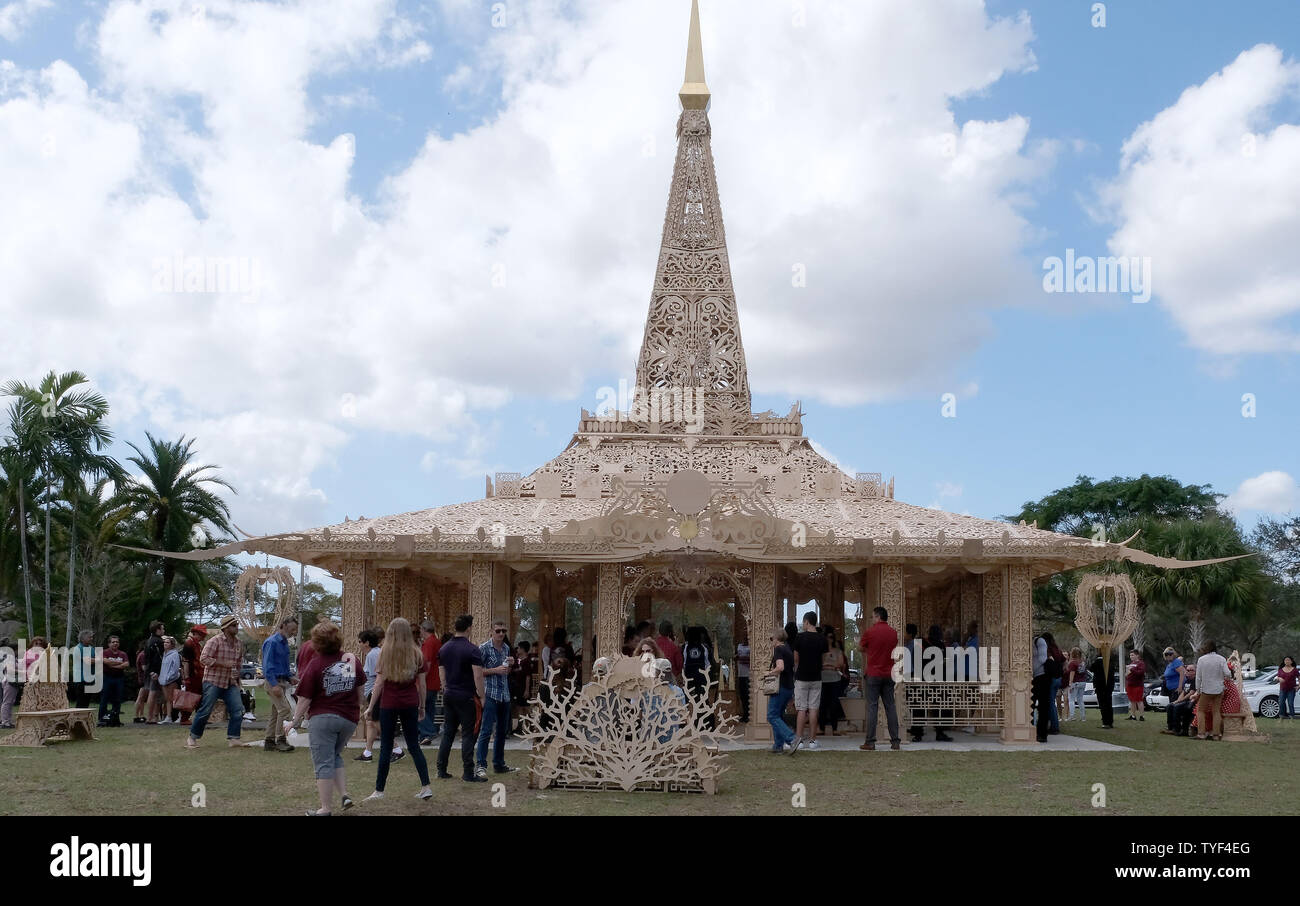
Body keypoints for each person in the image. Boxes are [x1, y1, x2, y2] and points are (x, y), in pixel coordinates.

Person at [290, 621, 362, 815]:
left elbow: (305, 698)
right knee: (334, 755)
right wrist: (358, 707)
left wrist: (294, 721)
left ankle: (325, 809)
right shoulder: (350, 660)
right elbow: (360, 689)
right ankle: (344, 794)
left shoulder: (316, 664)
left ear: (316, 642)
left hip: (323, 718)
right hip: (348, 718)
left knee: (322, 762)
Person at [362, 618, 431, 801]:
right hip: (410, 702)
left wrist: (370, 707)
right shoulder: (416, 653)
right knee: (414, 745)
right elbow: (422, 684)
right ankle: (426, 786)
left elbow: (379, 683)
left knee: (386, 746)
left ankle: (379, 790)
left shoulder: (385, 653)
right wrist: (422, 706)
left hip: (389, 703)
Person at [436, 614, 487, 782]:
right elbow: (478, 676)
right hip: (466, 695)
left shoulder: (444, 649)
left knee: (448, 733)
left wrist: (445, 687)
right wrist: (482, 695)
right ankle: (468, 772)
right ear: (468, 628)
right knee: (468, 734)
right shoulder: (472, 649)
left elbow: (441, 671)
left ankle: (441, 769)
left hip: (449, 694)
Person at [186, 613, 245, 749]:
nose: (237, 628)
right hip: (213, 680)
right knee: (206, 710)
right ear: (225, 628)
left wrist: (237, 677)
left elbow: (238, 663)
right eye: (234, 625)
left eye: (237, 625)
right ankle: (193, 737)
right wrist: (223, 663)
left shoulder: (239, 644)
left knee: (238, 710)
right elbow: (203, 658)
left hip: (230, 682)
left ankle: (234, 738)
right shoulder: (215, 641)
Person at [475, 619, 518, 778]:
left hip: (504, 694)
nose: (501, 634)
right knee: (486, 731)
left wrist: (511, 665)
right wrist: (495, 670)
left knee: (501, 732)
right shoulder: (484, 648)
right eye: (498, 630)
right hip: (490, 693)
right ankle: (480, 765)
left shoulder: (506, 648)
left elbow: (506, 671)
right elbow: (478, 672)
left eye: (503, 631)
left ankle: (499, 764)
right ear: (491, 631)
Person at [355, 628, 401, 763]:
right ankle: (367, 752)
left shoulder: (372, 655)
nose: (358, 644)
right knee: (370, 722)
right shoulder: (374, 653)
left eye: (360, 641)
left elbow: (379, 678)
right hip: (373, 694)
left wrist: (373, 697)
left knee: (376, 722)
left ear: (367, 643)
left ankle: (396, 749)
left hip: (375, 694)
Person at [859, 606, 901, 751]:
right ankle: (895, 741)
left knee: (872, 707)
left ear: (877, 617)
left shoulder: (870, 632)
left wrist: (869, 650)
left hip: (873, 673)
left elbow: (861, 647)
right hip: (888, 674)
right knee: (890, 707)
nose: (872, 620)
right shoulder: (893, 633)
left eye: (873, 617)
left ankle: (870, 742)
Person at [790, 612, 827, 749]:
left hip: (801, 677)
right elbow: (823, 660)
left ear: (806, 622)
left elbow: (796, 659)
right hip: (816, 677)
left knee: (801, 709)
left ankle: (799, 740)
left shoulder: (799, 637)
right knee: (813, 709)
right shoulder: (822, 639)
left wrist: (797, 670)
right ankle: (812, 740)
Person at [260, 616, 298, 752]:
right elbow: (267, 665)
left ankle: (269, 741)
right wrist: (274, 684)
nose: (294, 632)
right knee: (285, 710)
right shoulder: (272, 642)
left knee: (276, 712)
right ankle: (280, 739)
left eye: (295, 630)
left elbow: (284, 665)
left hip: (281, 680)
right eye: (292, 629)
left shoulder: (284, 643)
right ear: (283, 625)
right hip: (273, 682)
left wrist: (290, 677)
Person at [764, 629, 796, 753]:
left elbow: (780, 667)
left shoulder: (778, 649)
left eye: (772, 639)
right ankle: (778, 746)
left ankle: (792, 738)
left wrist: (769, 672)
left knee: (772, 715)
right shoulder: (788, 649)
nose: (771, 641)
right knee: (779, 716)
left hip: (780, 687)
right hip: (788, 687)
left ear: (777, 639)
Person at [1193, 640, 1230, 741]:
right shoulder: (1221, 659)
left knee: (1200, 711)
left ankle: (1201, 733)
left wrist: (1197, 689)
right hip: (1218, 689)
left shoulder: (1202, 659)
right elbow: (1227, 673)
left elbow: (1198, 677)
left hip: (1206, 689)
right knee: (1216, 712)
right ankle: (1216, 735)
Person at [417, 618, 442, 745]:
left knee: (419, 707)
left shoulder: (429, 643)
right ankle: (425, 736)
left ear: (424, 630)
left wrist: (420, 680)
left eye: (421, 630)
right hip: (435, 681)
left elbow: (426, 663)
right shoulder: (437, 642)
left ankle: (428, 731)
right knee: (429, 709)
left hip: (427, 682)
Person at [818, 626, 846, 736]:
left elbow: (840, 664)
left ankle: (835, 728)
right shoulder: (821, 651)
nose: (829, 639)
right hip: (823, 680)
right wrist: (830, 665)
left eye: (830, 637)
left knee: (834, 704)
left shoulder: (838, 651)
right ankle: (821, 728)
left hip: (835, 679)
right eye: (827, 637)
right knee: (822, 704)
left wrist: (828, 665)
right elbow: (818, 664)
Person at [96, 635, 129, 727]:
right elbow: (106, 661)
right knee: (104, 699)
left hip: (119, 678)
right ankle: (102, 719)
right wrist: (120, 663)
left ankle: (115, 719)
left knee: (117, 699)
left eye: (117, 642)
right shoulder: (104, 652)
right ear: (109, 643)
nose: (115, 643)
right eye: (113, 642)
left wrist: (113, 665)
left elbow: (126, 664)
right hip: (107, 677)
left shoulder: (123, 654)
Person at [178, 625, 207, 725]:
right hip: (191, 675)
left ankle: (200, 717)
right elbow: (185, 661)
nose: (203, 637)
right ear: (196, 633)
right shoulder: (189, 643)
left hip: (198, 674)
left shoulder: (197, 644)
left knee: (200, 696)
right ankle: (184, 718)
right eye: (202, 635)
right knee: (190, 696)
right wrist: (186, 677)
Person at [1042, 631, 1065, 734]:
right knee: (1052, 702)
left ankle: (1054, 727)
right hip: (1058, 678)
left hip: (1050, 678)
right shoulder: (1058, 649)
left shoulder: (1048, 650)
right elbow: (1064, 661)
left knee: (1050, 703)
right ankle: (1053, 725)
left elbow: (1048, 661)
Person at [68, 629, 96, 709]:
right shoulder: (77, 648)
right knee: (81, 701)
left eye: (91, 637)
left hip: (90, 678)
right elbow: (88, 661)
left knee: (87, 701)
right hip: (80, 679)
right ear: (83, 638)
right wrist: (100, 660)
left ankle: (83, 720)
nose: (91, 639)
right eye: (89, 637)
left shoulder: (91, 648)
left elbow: (95, 659)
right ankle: (77, 720)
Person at [1089, 649, 1118, 729]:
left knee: (1103, 704)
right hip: (1109, 685)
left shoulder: (1098, 662)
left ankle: (1105, 722)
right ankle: (1110, 721)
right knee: (1108, 703)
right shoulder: (1110, 661)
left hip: (1100, 685)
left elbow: (1091, 668)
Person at [144, 621, 166, 723]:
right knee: (153, 693)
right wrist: (155, 671)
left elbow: (146, 658)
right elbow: (158, 658)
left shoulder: (149, 641)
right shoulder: (158, 642)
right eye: (162, 628)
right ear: (157, 630)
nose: (164, 630)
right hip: (155, 671)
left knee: (154, 693)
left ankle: (154, 716)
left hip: (149, 670)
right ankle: (150, 717)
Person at [1161, 647, 1186, 730]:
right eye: (1166, 654)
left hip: (1176, 688)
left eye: (1170, 654)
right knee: (1170, 707)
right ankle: (1171, 725)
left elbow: (1182, 673)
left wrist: (1180, 686)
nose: (1168, 655)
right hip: (1171, 689)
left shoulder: (1176, 662)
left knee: (1174, 707)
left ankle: (1174, 726)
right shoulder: (1170, 664)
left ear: (1174, 654)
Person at [158, 636, 181, 723]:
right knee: (168, 699)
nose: (165, 644)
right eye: (165, 642)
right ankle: (168, 716)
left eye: (167, 642)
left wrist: (169, 678)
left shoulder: (174, 654)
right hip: (163, 680)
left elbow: (175, 668)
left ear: (172, 645)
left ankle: (179, 716)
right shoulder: (164, 654)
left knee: (173, 698)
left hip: (171, 680)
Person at [1032, 634, 1050, 742]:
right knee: (1031, 705)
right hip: (1034, 677)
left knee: (1043, 707)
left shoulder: (1040, 641)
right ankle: (1035, 732)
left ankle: (1042, 734)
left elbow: (1043, 659)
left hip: (1042, 677)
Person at [1065, 647, 1088, 722]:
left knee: (1071, 699)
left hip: (1075, 683)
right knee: (1080, 700)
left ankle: (1072, 716)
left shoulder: (1072, 663)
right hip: (1083, 682)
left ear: (1072, 654)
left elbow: (1072, 674)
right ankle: (1083, 717)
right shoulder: (1082, 662)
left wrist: (1070, 684)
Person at [1124, 650, 1147, 721]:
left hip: (1138, 685)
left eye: (1133, 655)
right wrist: (1126, 675)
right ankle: (1133, 716)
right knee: (1132, 701)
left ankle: (1142, 716)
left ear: (1137, 655)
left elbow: (1140, 673)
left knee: (1139, 700)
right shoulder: (1131, 664)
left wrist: (1132, 669)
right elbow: (1127, 674)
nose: (1131, 657)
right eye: (1130, 655)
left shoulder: (1141, 663)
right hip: (1130, 684)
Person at [131, 640, 149, 723]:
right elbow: (144, 668)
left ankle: (141, 715)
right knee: (141, 697)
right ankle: (136, 716)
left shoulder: (141, 654)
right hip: (144, 679)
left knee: (142, 698)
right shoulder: (143, 655)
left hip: (142, 678)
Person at [0, 639, 17, 729]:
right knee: (7, 702)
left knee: (6, 702)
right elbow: (10, 669)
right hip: (8, 680)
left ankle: (6, 720)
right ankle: (5, 722)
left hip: (5, 680)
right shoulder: (10, 656)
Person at [734, 633, 750, 723]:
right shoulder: (739, 646)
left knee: (748, 696)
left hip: (748, 674)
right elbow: (736, 657)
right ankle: (745, 714)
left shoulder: (751, 647)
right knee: (743, 696)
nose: (745, 638)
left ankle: (749, 715)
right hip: (741, 674)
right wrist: (738, 658)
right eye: (744, 637)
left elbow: (751, 659)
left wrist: (741, 658)